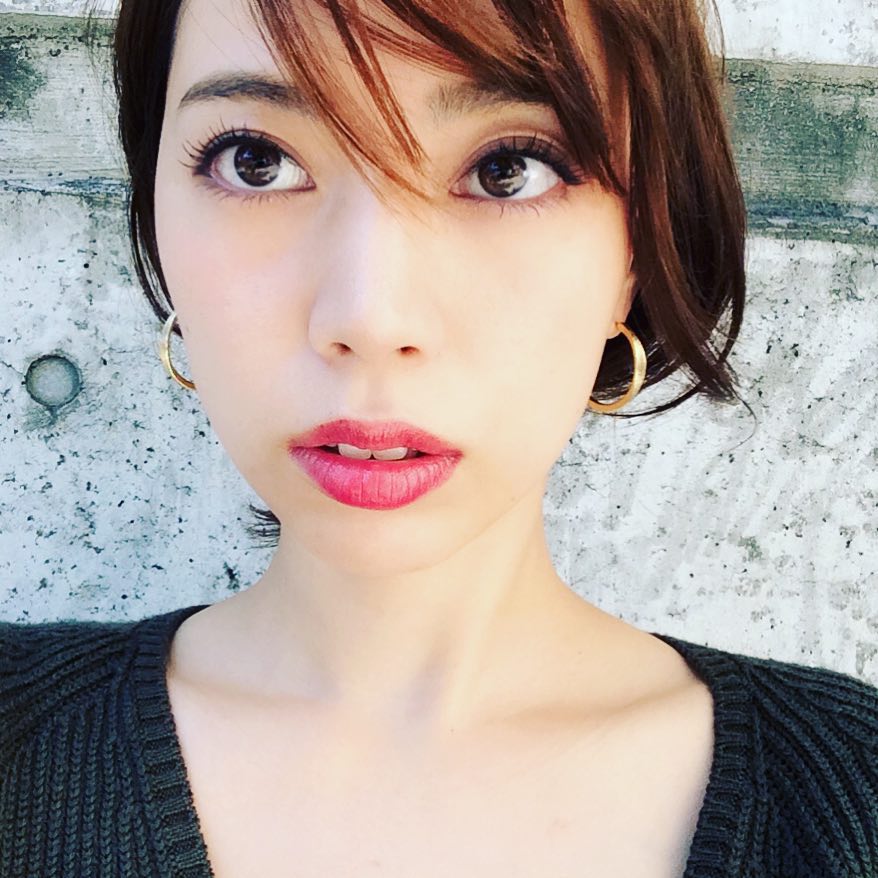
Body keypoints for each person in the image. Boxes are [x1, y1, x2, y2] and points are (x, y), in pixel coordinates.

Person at [1, 0, 876, 876]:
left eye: (507, 170)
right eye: (257, 161)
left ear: (637, 247)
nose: (371, 317)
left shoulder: (853, 793)